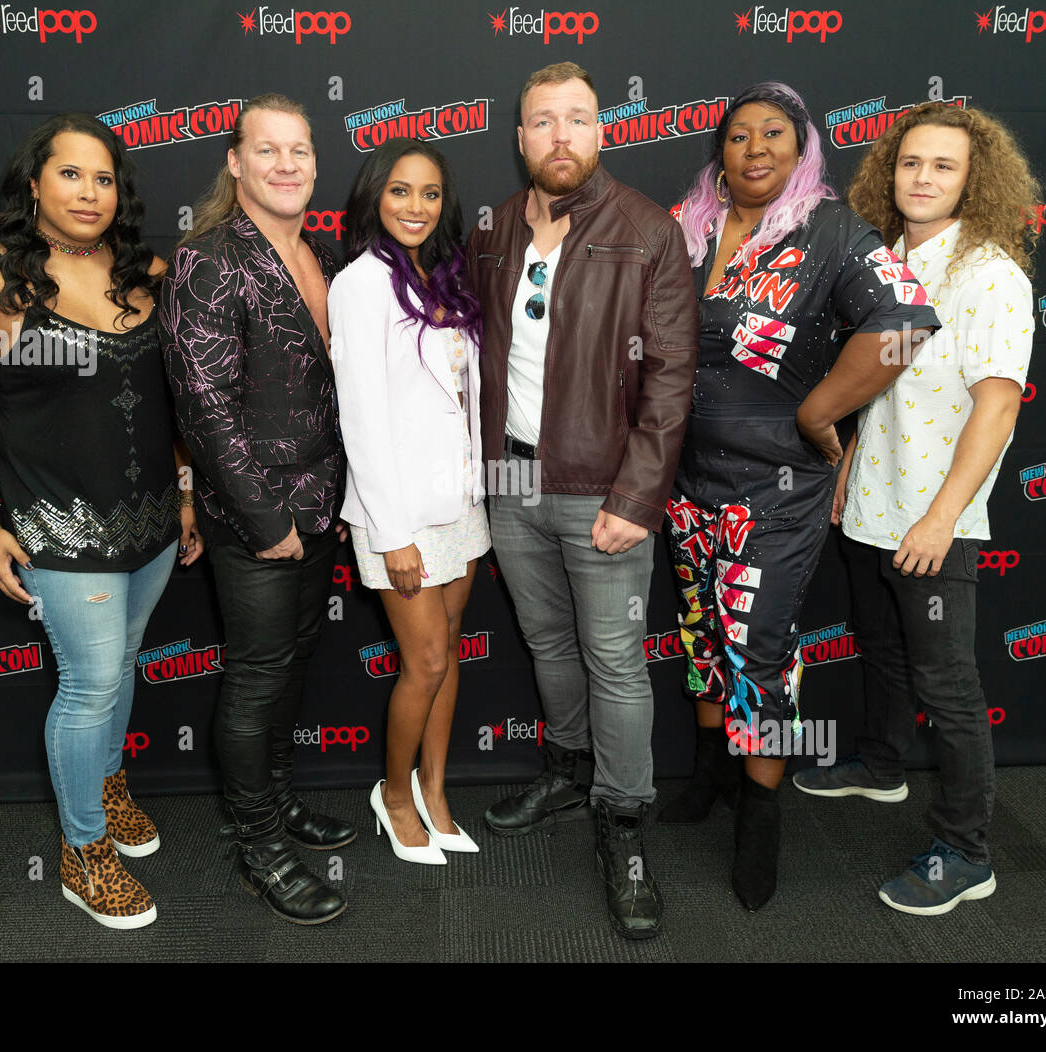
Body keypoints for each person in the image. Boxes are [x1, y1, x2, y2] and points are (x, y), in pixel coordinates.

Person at [661, 82, 940, 913]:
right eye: (739, 135)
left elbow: (907, 319)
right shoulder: (692, 225)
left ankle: (761, 818)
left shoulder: (831, 230)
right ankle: (712, 778)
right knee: (703, 636)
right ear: (722, 149)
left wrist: (825, 407)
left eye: (773, 134)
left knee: (759, 651)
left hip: (776, 492)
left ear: (801, 146)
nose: (755, 149)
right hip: (686, 482)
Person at [0, 112, 203, 929]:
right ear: (35, 183)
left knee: (121, 662)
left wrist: (185, 491)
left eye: (105, 177)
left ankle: (109, 788)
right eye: (72, 174)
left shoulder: (147, 270)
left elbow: (179, 400)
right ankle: (85, 854)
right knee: (90, 686)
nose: (90, 191)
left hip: (151, 523)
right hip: (59, 530)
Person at [467, 62, 698, 939]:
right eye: (541, 121)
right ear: (519, 136)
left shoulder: (647, 230)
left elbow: (672, 379)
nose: (559, 135)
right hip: (511, 481)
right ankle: (568, 771)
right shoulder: (492, 228)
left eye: (576, 118)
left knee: (615, 660)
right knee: (546, 641)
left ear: (602, 129)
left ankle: (625, 820)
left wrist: (637, 496)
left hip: (604, 486)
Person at [794, 102, 1041, 916]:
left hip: (936, 520)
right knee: (883, 651)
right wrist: (851, 467)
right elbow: (885, 384)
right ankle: (881, 763)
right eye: (911, 163)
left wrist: (940, 519)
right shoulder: (892, 262)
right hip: (873, 501)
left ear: (976, 180)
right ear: (889, 173)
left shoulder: (991, 276)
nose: (923, 178)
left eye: (943, 166)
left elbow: (997, 409)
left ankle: (968, 852)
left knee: (950, 685)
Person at [160, 94, 352, 926]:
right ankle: (259, 843)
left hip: (320, 502)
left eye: (299, 151)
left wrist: (338, 496)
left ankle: (277, 804)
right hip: (258, 515)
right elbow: (204, 409)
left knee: (296, 660)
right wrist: (264, 516)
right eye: (267, 150)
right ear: (235, 163)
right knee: (258, 676)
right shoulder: (209, 258)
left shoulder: (320, 251)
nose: (286, 164)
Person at [329, 139, 486, 865]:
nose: (414, 206)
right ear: (374, 197)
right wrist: (390, 532)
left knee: (448, 654)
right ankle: (394, 794)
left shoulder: (443, 279)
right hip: (398, 515)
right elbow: (359, 418)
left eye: (428, 193)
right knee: (424, 661)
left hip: (459, 503)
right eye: (399, 191)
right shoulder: (360, 284)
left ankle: (436, 789)